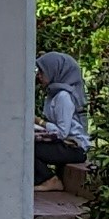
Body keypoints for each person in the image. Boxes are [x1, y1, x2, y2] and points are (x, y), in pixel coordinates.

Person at [34, 47, 89, 187]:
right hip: (63, 143)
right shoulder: (53, 94)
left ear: (54, 71)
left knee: (31, 149)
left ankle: (49, 180)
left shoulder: (63, 96)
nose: (39, 75)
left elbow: (62, 132)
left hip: (74, 147)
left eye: (42, 71)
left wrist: (40, 122)